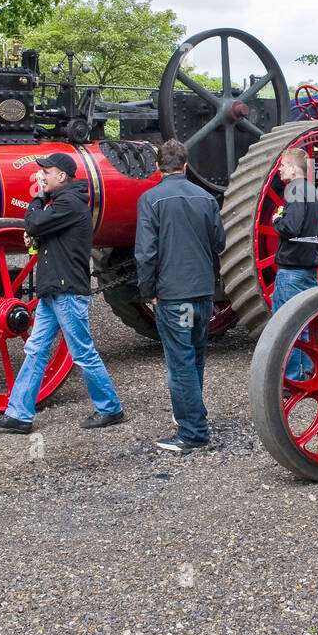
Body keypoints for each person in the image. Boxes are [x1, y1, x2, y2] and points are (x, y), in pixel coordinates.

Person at [0, 152, 125, 434]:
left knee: (83, 353)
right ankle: (20, 414)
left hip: (67, 292)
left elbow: (35, 223)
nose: (42, 176)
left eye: (46, 172)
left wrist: (37, 198)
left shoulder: (69, 203)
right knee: (35, 350)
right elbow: (42, 231)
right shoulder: (64, 204)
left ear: (62, 176)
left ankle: (110, 408)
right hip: (55, 290)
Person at [134, 139, 226, 454]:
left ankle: (193, 431)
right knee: (196, 356)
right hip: (202, 292)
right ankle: (192, 415)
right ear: (185, 166)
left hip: (174, 296)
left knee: (181, 361)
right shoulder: (206, 198)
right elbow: (219, 243)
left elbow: (146, 253)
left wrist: (147, 291)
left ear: (159, 168)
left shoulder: (151, 199)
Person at [270, 148, 318, 381]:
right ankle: (307, 373)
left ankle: (292, 379)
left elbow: (290, 227)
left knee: (287, 328)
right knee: (305, 325)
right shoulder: (315, 193)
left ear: (293, 169)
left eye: (283, 165)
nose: (280, 169)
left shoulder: (293, 190)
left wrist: (277, 221)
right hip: (309, 269)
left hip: (291, 270)